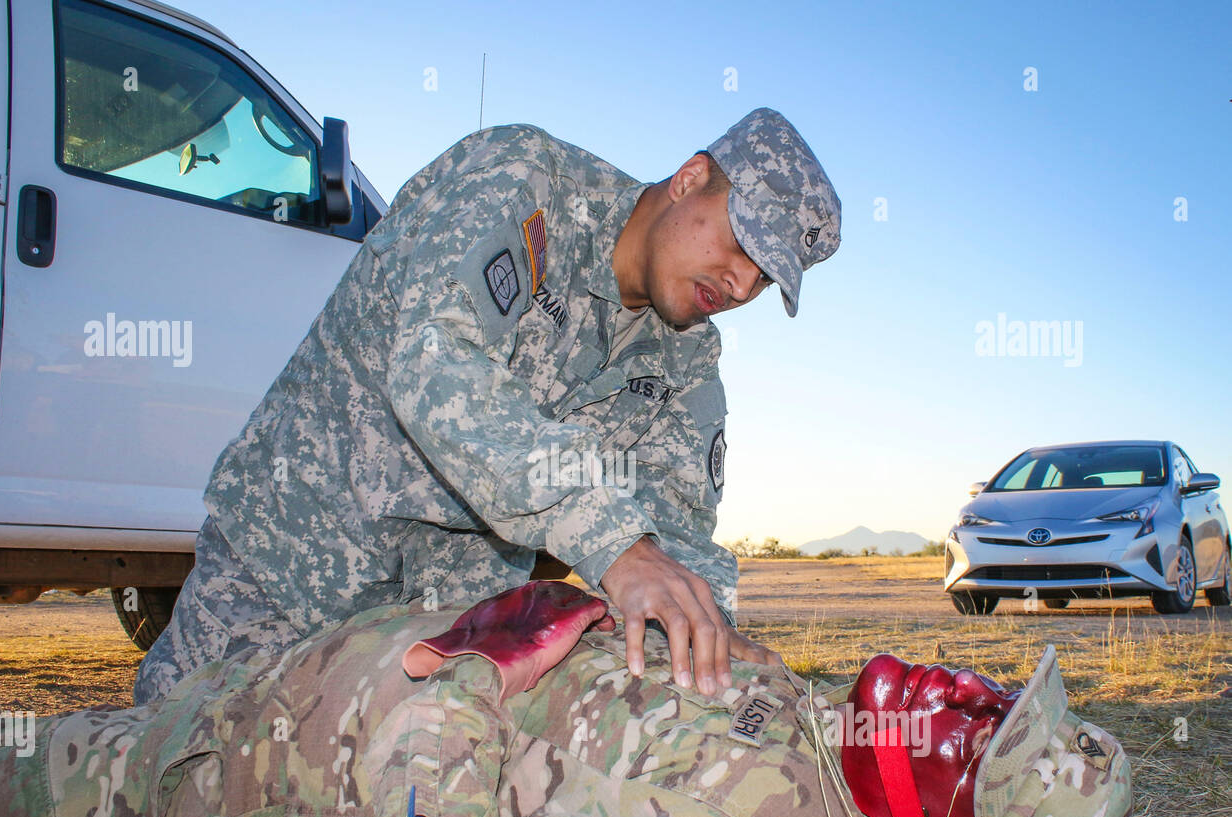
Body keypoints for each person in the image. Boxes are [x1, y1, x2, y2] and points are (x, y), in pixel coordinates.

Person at [0, 583, 1131, 817]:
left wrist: (468, 680)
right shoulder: (823, 748)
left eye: (982, 736)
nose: (955, 692)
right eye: (991, 692)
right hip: (238, 721)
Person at [133, 107, 843, 705]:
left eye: (766, 277)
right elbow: (435, 359)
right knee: (149, 786)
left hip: (430, 638)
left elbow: (679, 535)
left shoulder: (687, 358)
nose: (741, 280)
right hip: (293, 560)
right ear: (690, 179)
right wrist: (613, 542)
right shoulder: (528, 182)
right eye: (742, 241)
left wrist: (715, 640)